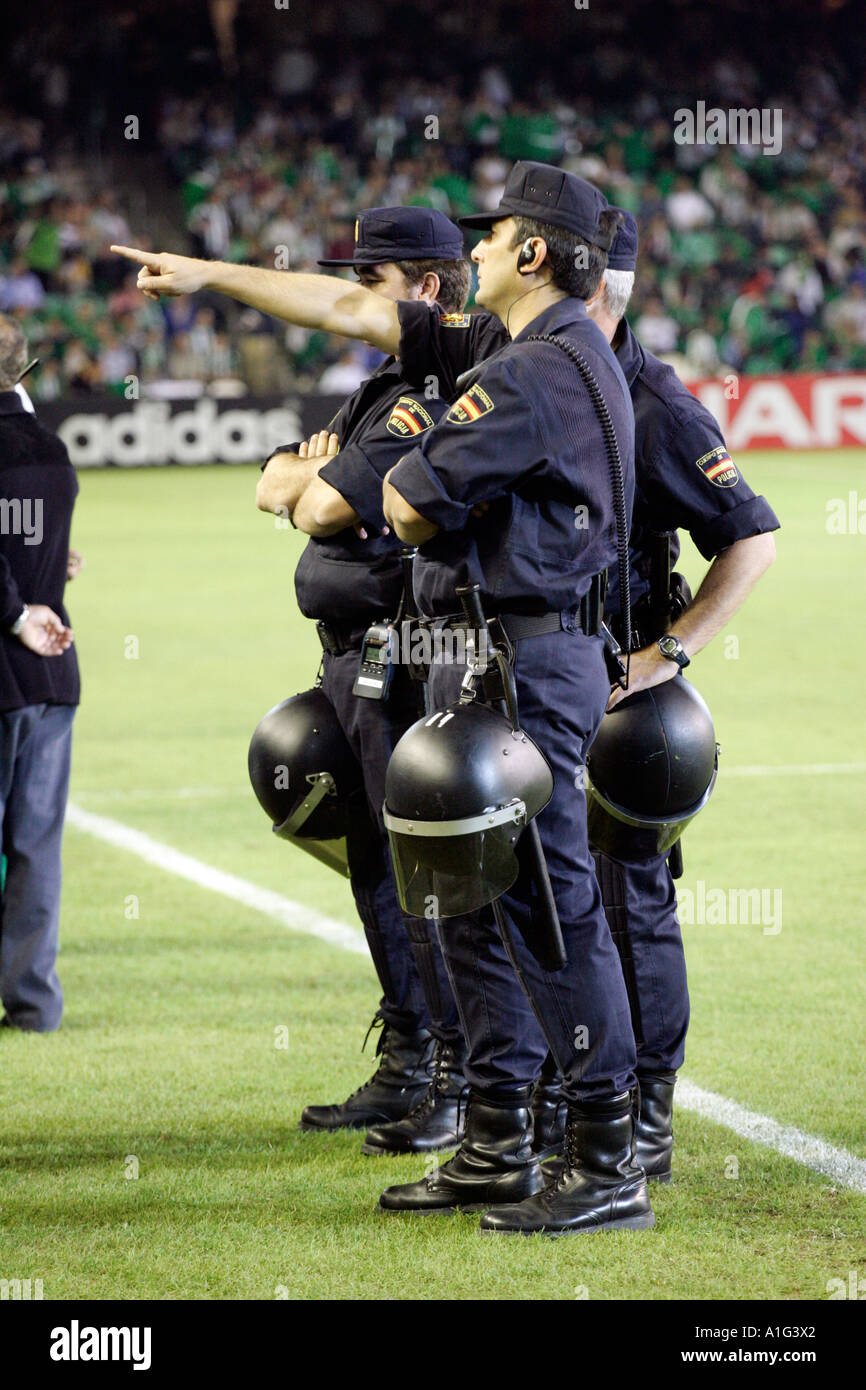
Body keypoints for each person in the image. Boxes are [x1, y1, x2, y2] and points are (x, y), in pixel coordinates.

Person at [376, 163, 651, 1235]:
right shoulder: (566, 354)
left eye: (489, 234)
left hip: (519, 667)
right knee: (484, 912)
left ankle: (600, 1156)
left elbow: (402, 503)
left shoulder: (536, 370)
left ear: (533, 253)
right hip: (523, 656)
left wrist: (416, 468)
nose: (473, 247)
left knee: (550, 911)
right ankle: (501, 1142)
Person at [251, 210, 474, 1143]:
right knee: (374, 864)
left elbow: (318, 503)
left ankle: (456, 1074)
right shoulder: (378, 389)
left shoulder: (433, 395)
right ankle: (410, 1052)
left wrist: (312, 487)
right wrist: (303, 484)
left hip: (402, 658)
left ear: (422, 289)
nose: (351, 301)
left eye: (368, 281)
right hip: (349, 658)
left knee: (424, 872)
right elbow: (274, 484)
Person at [0, 316, 78, 1033]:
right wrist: (49, 578)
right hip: (54, 669)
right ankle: (33, 1003)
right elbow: (37, 544)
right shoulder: (50, 449)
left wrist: (15, 608)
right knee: (35, 841)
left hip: (10, 656)